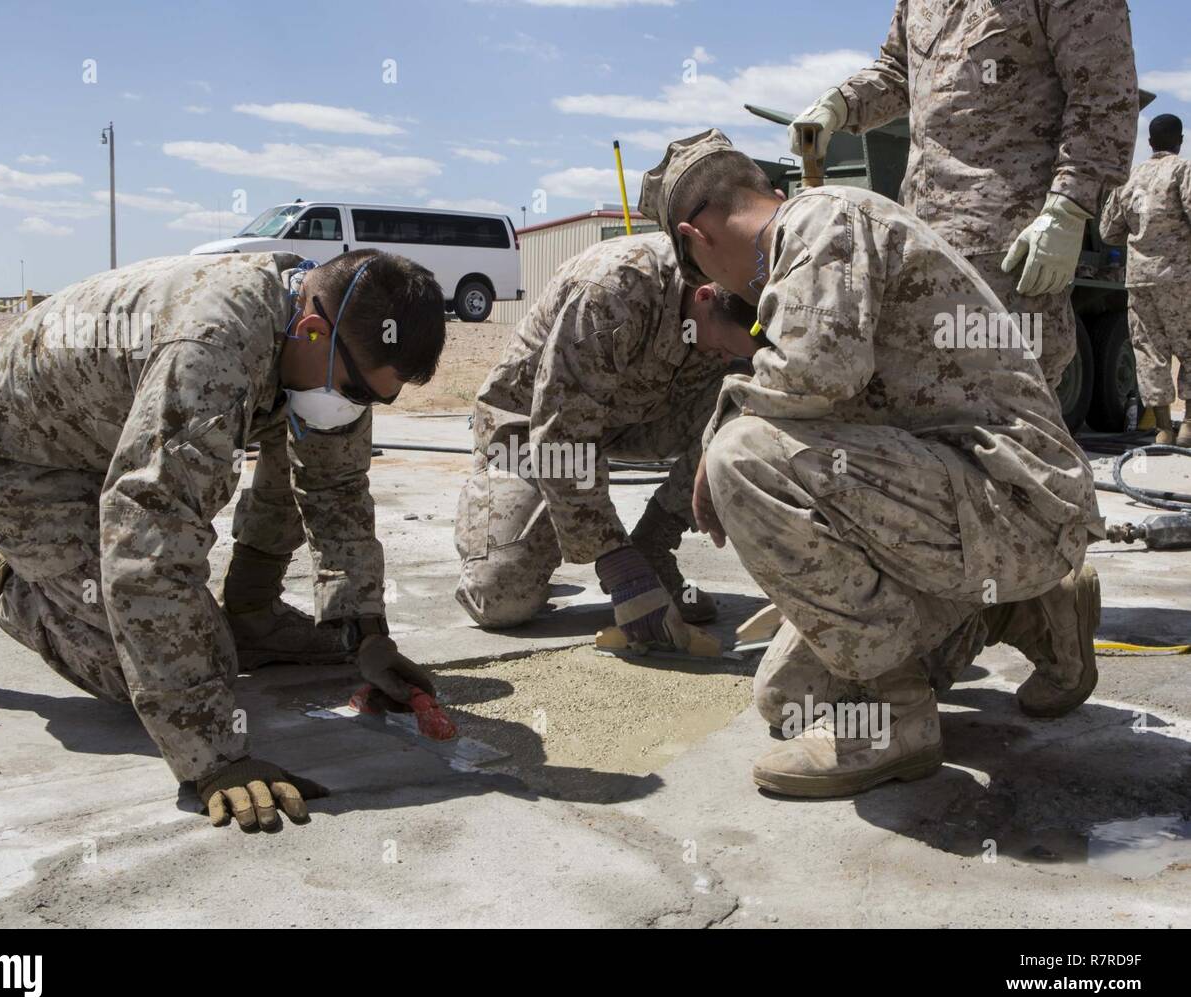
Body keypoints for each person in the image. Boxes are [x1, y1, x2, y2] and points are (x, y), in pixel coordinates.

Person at [0, 250, 446, 832]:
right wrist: (213, 758)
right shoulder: (213, 350)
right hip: (12, 451)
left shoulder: (330, 340)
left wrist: (365, 631)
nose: (361, 406)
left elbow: (337, 489)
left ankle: (252, 615)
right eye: (358, 389)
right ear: (311, 330)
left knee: (304, 443)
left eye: (379, 399)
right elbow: (149, 541)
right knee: (131, 668)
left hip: (107, 429)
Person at [638, 130, 1104, 797]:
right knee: (787, 698)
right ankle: (1025, 611)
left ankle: (894, 716)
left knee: (745, 455)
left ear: (696, 236)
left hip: (1014, 503)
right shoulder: (811, 237)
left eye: (696, 273)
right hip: (970, 511)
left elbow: (816, 372)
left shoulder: (821, 219)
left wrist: (722, 434)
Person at [789, 0, 1138, 388]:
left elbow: (1105, 95)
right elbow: (897, 70)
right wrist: (840, 104)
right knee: (921, 398)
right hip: (919, 240)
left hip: (1008, 250)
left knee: (1013, 402)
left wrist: (1068, 210)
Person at [454, 231, 759, 649]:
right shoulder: (613, 288)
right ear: (705, 298)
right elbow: (562, 432)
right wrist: (618, 567)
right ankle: (497, 514)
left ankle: (653, 543)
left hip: (638, 417)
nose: (724, 358)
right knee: (501, 597)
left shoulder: (752, 288)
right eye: (723, 347)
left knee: (744, 413)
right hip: (531, 428)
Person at [1101, 113, 1191, 447]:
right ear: (1179, 141)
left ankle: (1164, 429)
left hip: (1140, 280)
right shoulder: (1183, 170)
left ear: (1150, 142)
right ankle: (1189, 427)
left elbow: (1108, 232)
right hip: (1180, 277)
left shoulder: (1130, 178)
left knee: (1149, 351)